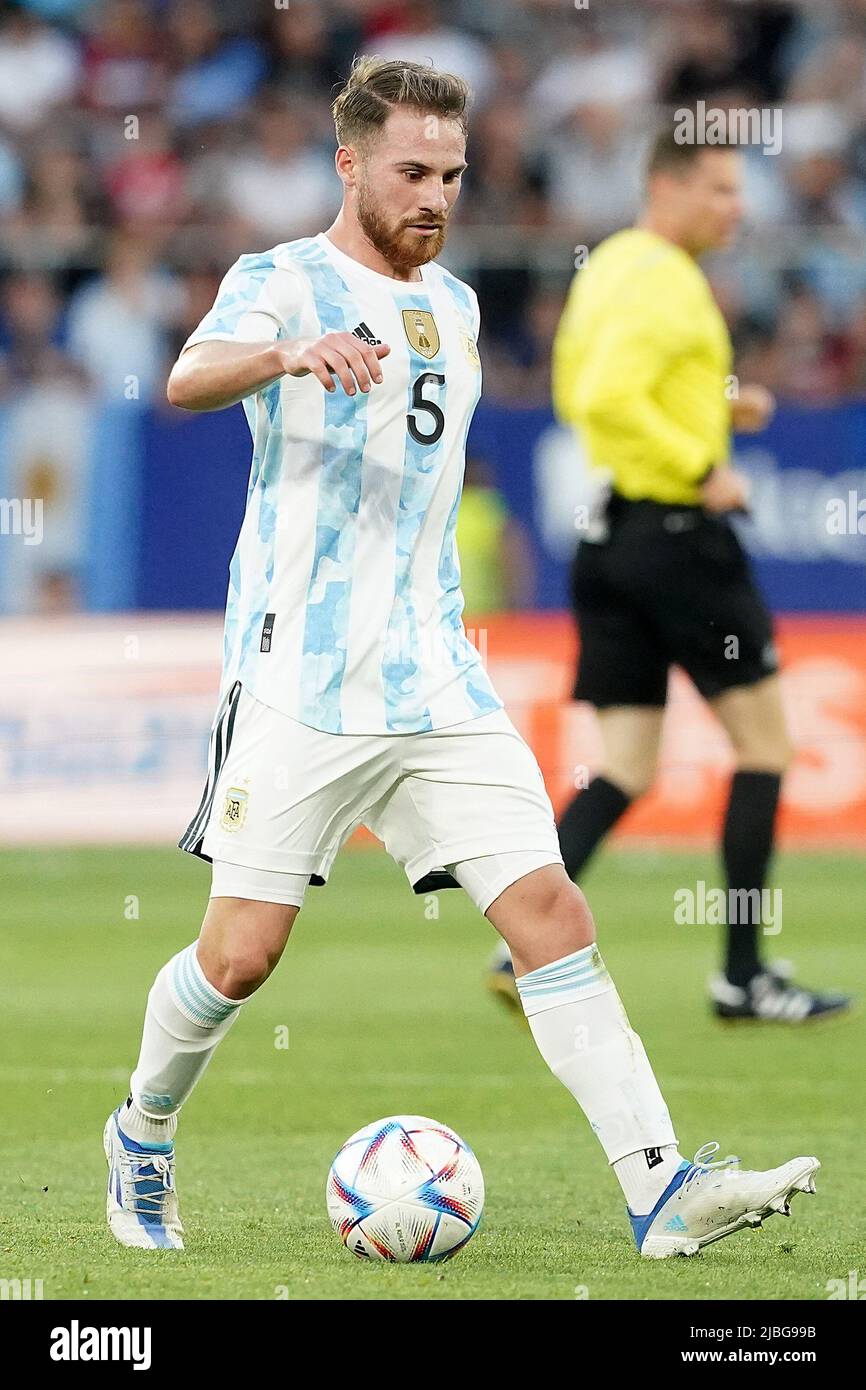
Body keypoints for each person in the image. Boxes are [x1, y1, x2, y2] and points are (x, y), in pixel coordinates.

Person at [103, 61, 819, 1259]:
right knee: (240, 953)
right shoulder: (276, 281)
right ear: (349, 164)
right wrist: (287, 355)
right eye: (410, 173)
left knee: (548, 909)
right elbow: (184, 378)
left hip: (435, 676)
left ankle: (658, 1189)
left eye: (448, 174)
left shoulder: (462, 306)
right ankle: (142, 1129)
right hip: (299, 679)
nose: (433, 195)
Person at [492, 129, 851, 1025]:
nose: (740, 207)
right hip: (680, 536)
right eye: (723, 189)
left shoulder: (611, 265)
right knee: (765, 748)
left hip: (612, 537)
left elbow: (589, 387)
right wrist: (701, 468)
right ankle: (743, 975)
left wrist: (725, 406)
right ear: (669, 186)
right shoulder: (667, 277)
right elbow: (611, 396)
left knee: (623, 764)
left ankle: (519, 942)